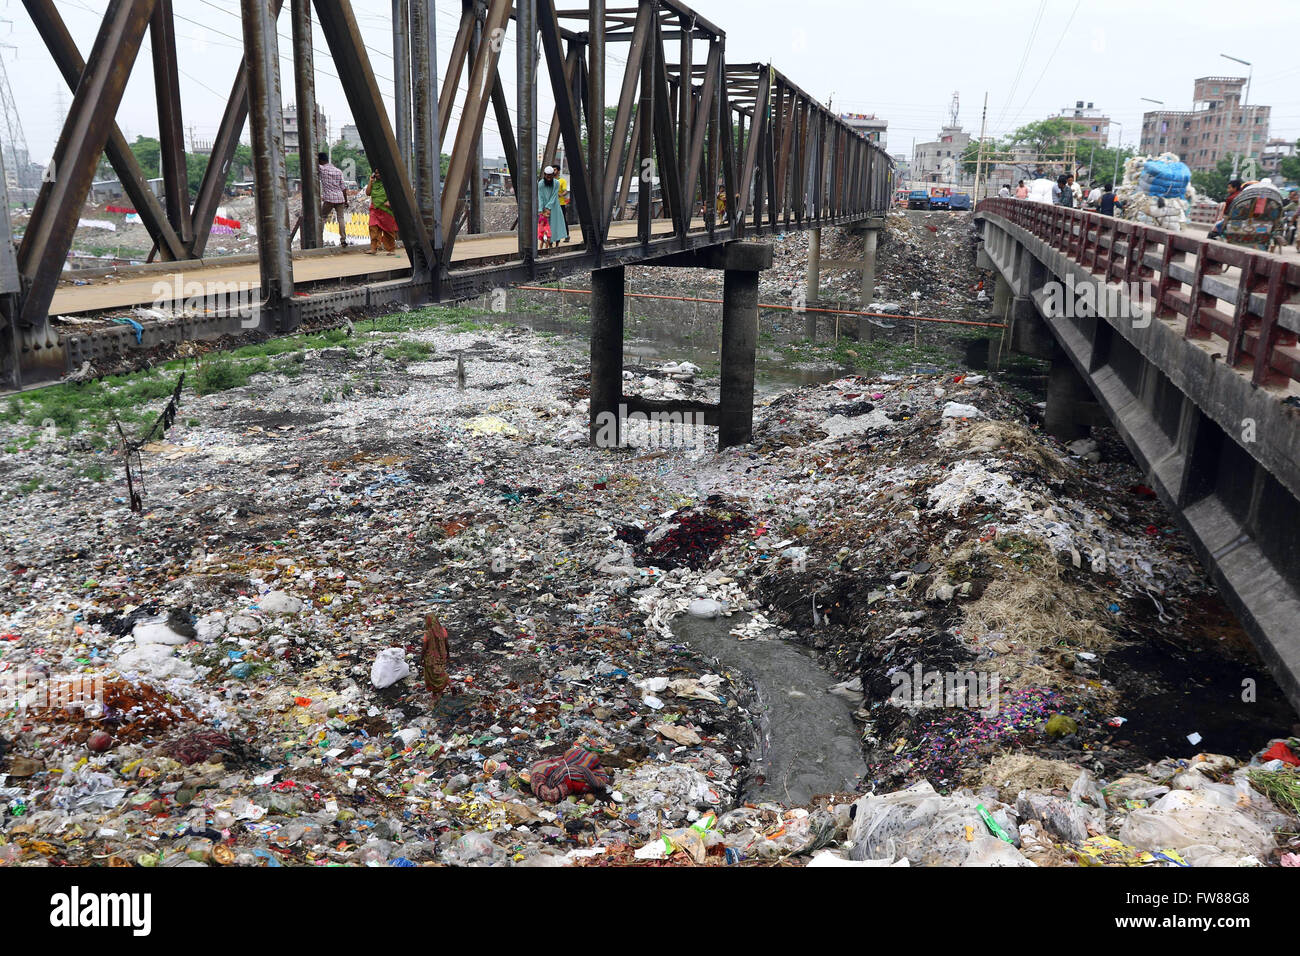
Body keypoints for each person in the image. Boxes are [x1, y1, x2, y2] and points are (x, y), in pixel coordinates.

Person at [317, 151, 350, 247]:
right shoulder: (338, 171)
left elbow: (314, 165)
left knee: (322, 217)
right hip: (340, 198)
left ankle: (319, 240)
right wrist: (346, 201)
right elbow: (343, 187)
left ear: (321, 160)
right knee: (341, 218)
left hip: (329, 198)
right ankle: (343, 239)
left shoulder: (322, 169)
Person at [364, 169, 399, 255]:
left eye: (379, 172)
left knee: (388, 230)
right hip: (375, 209)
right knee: (373, 227)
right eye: (376, 173)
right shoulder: (374, 183)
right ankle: (373, 248)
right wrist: (370, 181)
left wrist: (390, 202)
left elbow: (396, 194)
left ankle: (391, 249)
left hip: (386, 210)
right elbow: (368, 193)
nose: (378, 174)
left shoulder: (389, 184)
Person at [536, 165, 568, 249]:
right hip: (544, 208)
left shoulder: (556, 183)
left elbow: (554, 196)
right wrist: (540, 209)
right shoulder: (540, 184)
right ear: (544, 175)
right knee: (546, 226)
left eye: (550, 175)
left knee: (556, 225)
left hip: (555, 207)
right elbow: (540, 197)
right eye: (546, 175)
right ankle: (548, 244)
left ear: (553, 175)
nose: (548, 177)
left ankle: (557, 244)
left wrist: (548, 207)